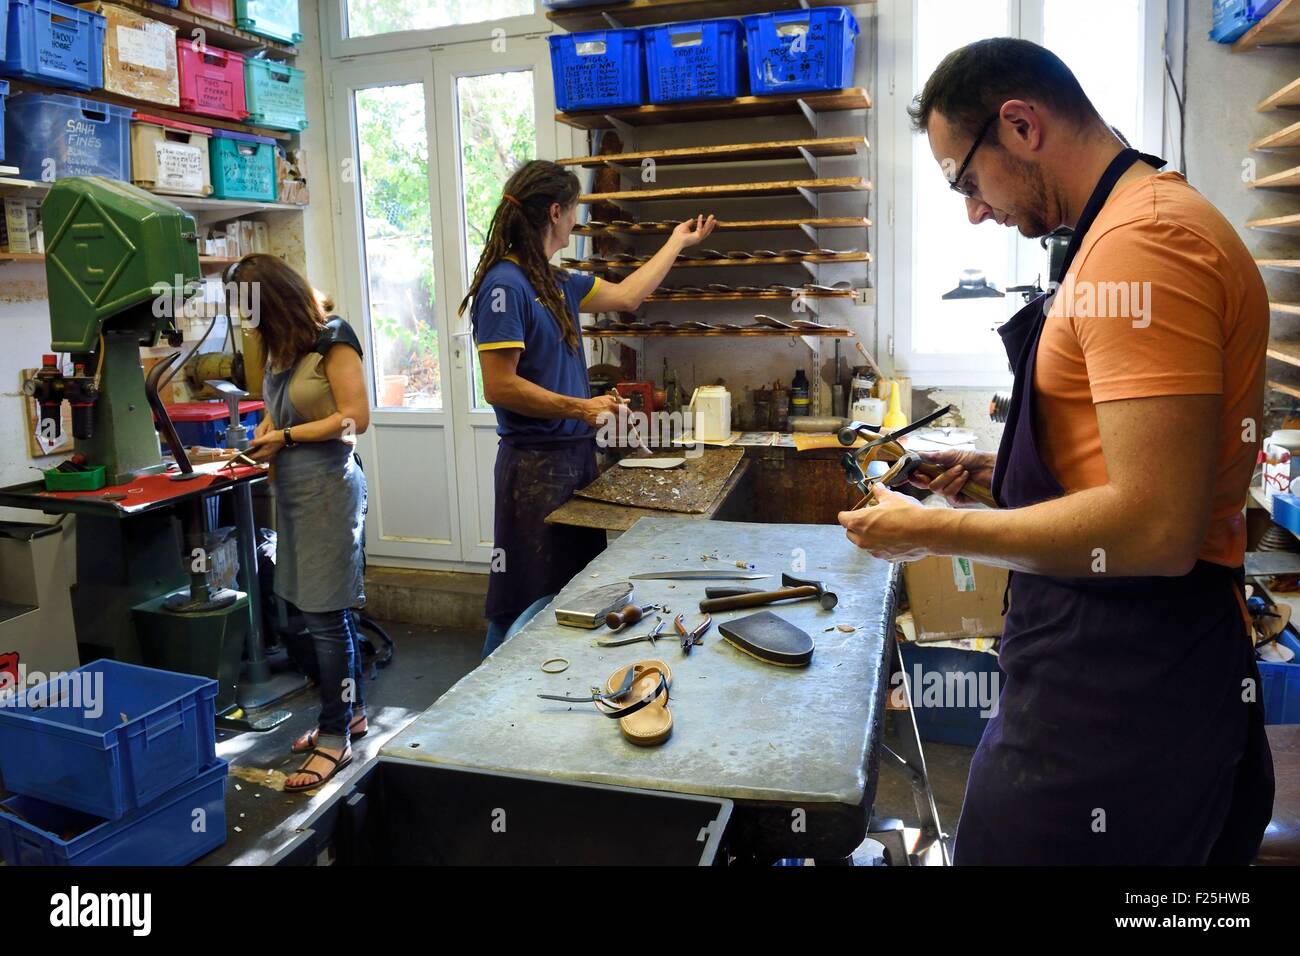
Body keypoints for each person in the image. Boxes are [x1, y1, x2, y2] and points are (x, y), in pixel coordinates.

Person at [839, 38, 1274, 864]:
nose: (973, 209)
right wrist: (1003, 478)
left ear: (1020, 125)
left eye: (967, 181)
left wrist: (935, 532)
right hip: (1102, 661)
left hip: (1125, 689)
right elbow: (1119, 469)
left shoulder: (1145, 247)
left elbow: (1152, 529)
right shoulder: (1125, 228)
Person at [460, 159, 715, 657]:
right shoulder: (505, 286)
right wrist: (580, 407)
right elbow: (499, 386)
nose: (576, 221)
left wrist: (676, 242)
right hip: (532, 470)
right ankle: (476, 711)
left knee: (574, 592)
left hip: (574, 462)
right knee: (521, 599)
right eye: (574, 210)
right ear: (556, 212)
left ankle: (537, 696)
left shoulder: (558, 283)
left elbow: (627, 297)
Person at [236, 254, 371, 793]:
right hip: (291, 490)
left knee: (325, 615)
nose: (245, 320)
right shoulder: (279, 347)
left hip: (329, 491)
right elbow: (278, 405)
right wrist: (268, 430)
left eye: (248, 308)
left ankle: (336, 739)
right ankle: (351, 712)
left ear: (272, 299)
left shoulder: (333, 339)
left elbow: (353, 419)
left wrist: (286, 438)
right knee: (311, 609)